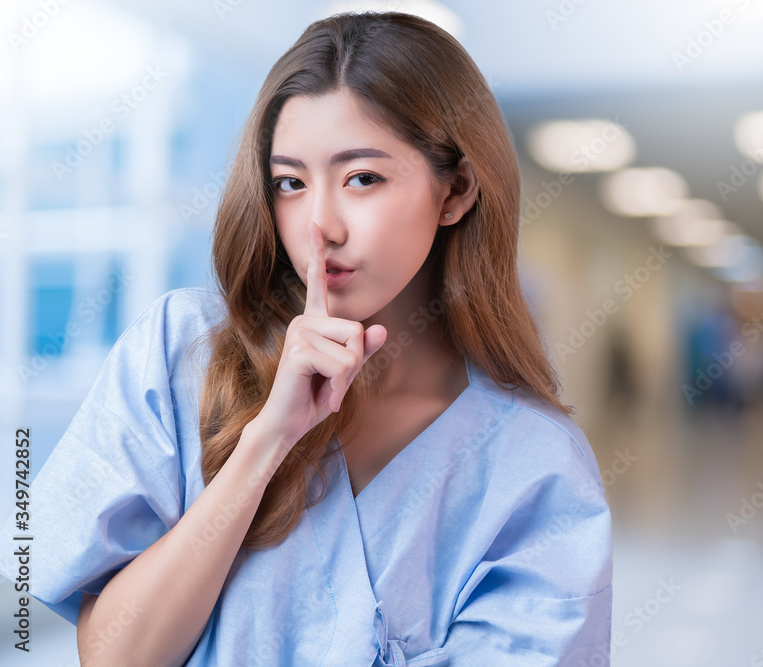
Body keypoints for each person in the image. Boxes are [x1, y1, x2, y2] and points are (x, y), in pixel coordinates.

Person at [0, 11, 613, 666]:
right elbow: (114, 656)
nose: (319, 225)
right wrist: (268, 440)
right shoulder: (179, 354)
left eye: (362, 178)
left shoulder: (533, 465)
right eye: (290, 183)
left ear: (455, 189)